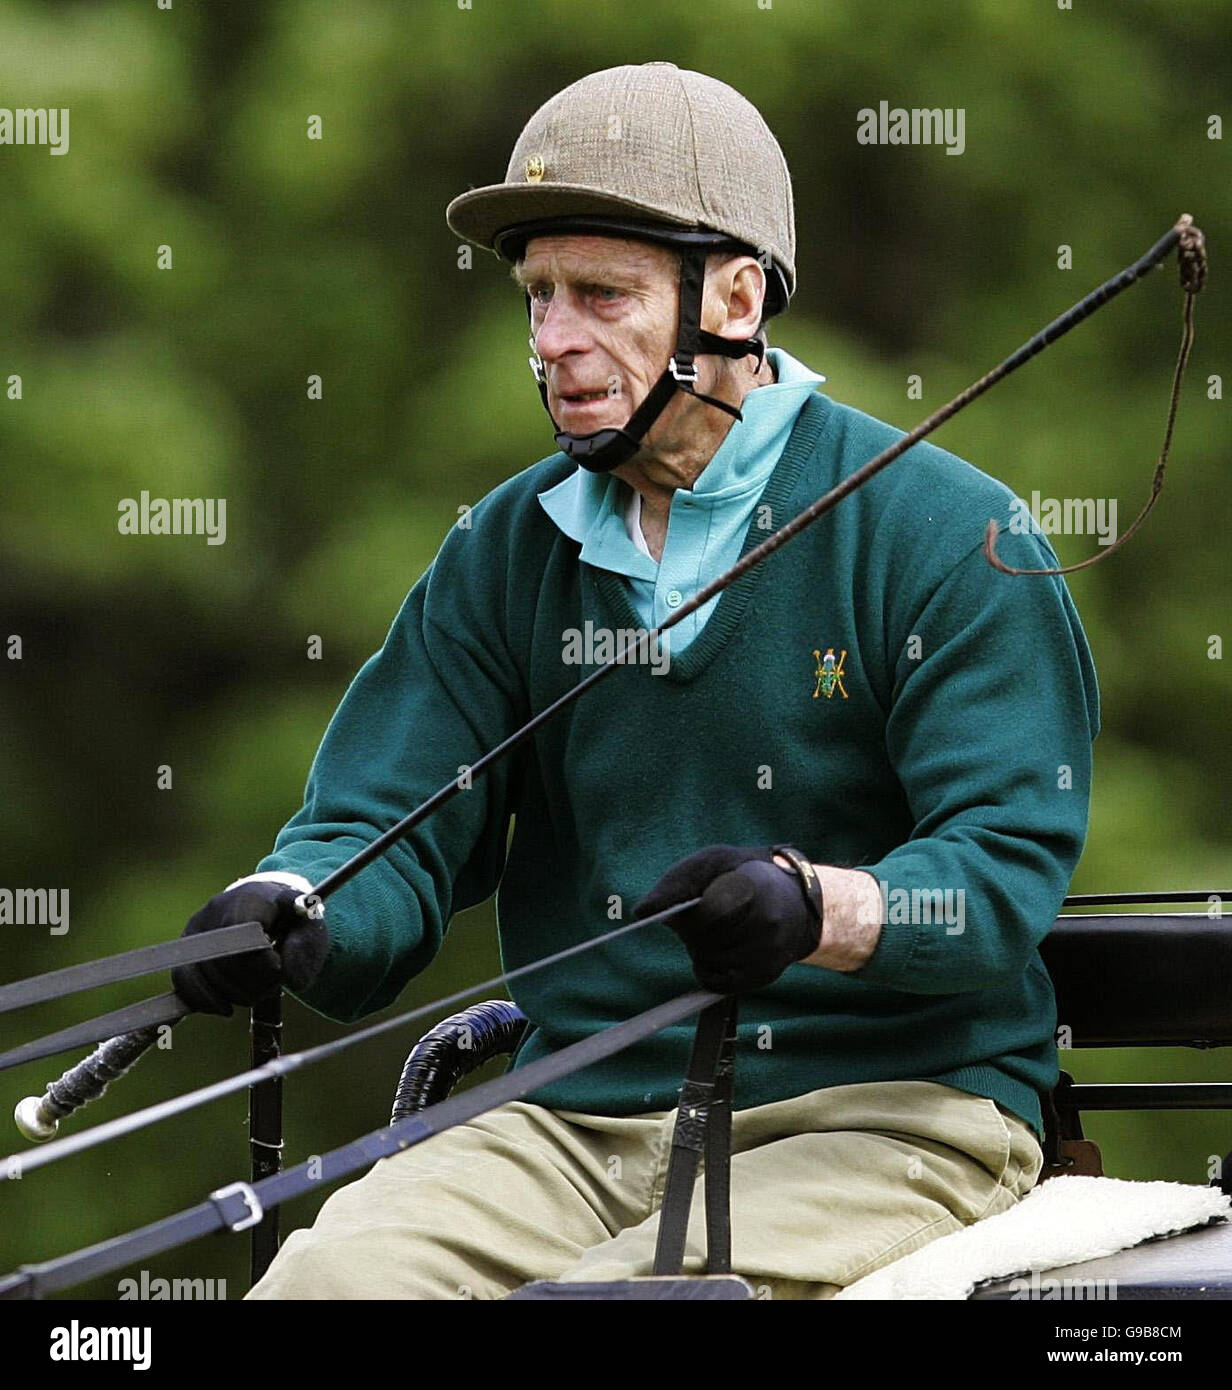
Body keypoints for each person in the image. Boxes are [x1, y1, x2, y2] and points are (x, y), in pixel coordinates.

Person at [174, 62, 1099, 1300]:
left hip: (887, 1119)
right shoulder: (505, 548)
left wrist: (814, 904)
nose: (553, 340)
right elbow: (386, 827)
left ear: (732, 295)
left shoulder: (944, 533)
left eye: (600, 294)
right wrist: (296, 907)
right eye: (537, 295)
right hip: (576, 1120)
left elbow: (996, 879)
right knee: (320, 1287)